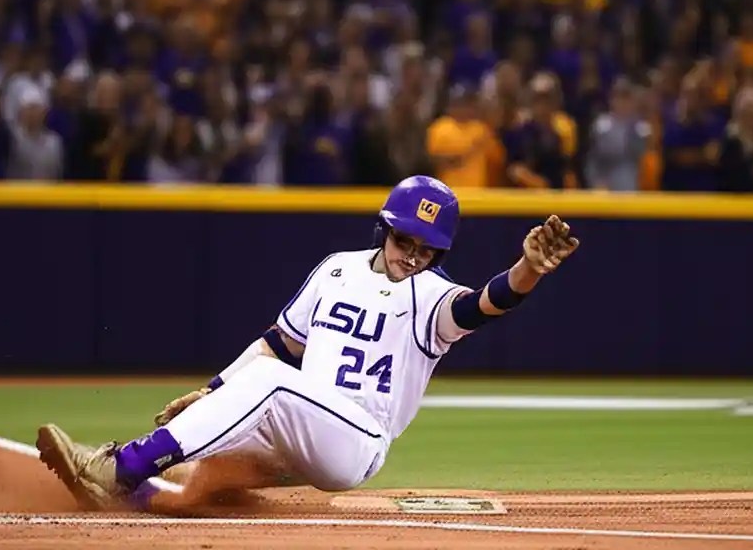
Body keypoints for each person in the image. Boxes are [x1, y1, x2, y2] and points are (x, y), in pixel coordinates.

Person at [36, 175, 580, 511]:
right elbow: (276, 342)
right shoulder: (336, 270)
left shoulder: (430, 298)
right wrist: (215, 389)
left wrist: (527, 269)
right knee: (204, 470)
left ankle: (117, 469)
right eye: (403, 240)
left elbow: (488, 301)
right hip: (299, 422)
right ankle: (140, 497)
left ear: (440, 255)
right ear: (384, 229)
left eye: (427, 249)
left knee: (272, 386)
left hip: (356, 442)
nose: (412, 255)